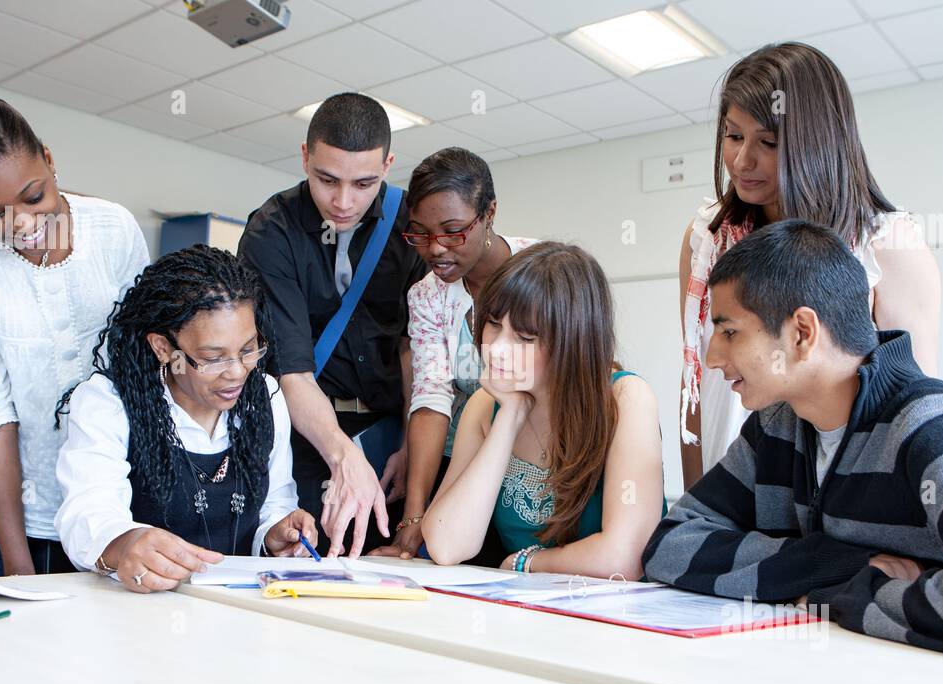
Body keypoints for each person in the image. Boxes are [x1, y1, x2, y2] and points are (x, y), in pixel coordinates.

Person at [645, 220, 943, 670]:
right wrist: (834, 565)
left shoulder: (935, 425)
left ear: (802, 333)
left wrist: (843, 594)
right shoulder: (777, 427)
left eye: (728, 333)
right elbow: (671, 545)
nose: (712, 359)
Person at [679, 42, 942, 487]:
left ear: (818, 143)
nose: (743, 161)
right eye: (733, 135)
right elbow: (695, 382)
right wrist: (696, 496)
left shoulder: (886, 244)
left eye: (768, 142)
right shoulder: (706, 238)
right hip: (732, 481)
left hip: (841, 492)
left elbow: (915, 408)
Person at [0, 92, 148, 576]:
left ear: (50, 159)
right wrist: (17, 565)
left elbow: (139, 362)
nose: (23, 225)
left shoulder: (113, 230)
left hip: (87, 480)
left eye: (34, 196)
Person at [55, 245, 315, 593]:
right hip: (139, 615)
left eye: (249, 349)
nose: (237, 372)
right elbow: (88, 512)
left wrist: (276, 532)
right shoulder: (109, 403)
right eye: (213, 357)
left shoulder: (264, 396)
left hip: (238, 611)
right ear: (163, 347)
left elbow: (273, 502)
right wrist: (126, 543)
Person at [237, 93, 427, 557]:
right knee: (309, 561)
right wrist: (343, 456)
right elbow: (292, 371)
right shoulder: (271, 232)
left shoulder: (413, 224)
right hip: (309, 431)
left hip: (393, 429)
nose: (344, 202)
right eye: (327, 180)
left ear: (388, 165)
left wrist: (409, 442)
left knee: (393, 569)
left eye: (363, 183)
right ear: (305, 157)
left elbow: (415, 348)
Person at [419, 243, 665, 579]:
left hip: (618, 619)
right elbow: (446, 545)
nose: (497, 350)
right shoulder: (485, 406)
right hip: (531, 617)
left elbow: (624, 559)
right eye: (492, 324)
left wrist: (525, 563)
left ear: (575, 338)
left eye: (524, 337)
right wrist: (510, 417)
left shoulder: (625, 398)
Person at [371, 147, 538, 560]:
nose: (435, 249)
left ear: (489, 213)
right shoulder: (427, 296)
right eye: (420, 234)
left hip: (536, 466)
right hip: (459, 466)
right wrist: (413, 521)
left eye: (452, 231)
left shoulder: (543, 270)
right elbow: (430, 400)